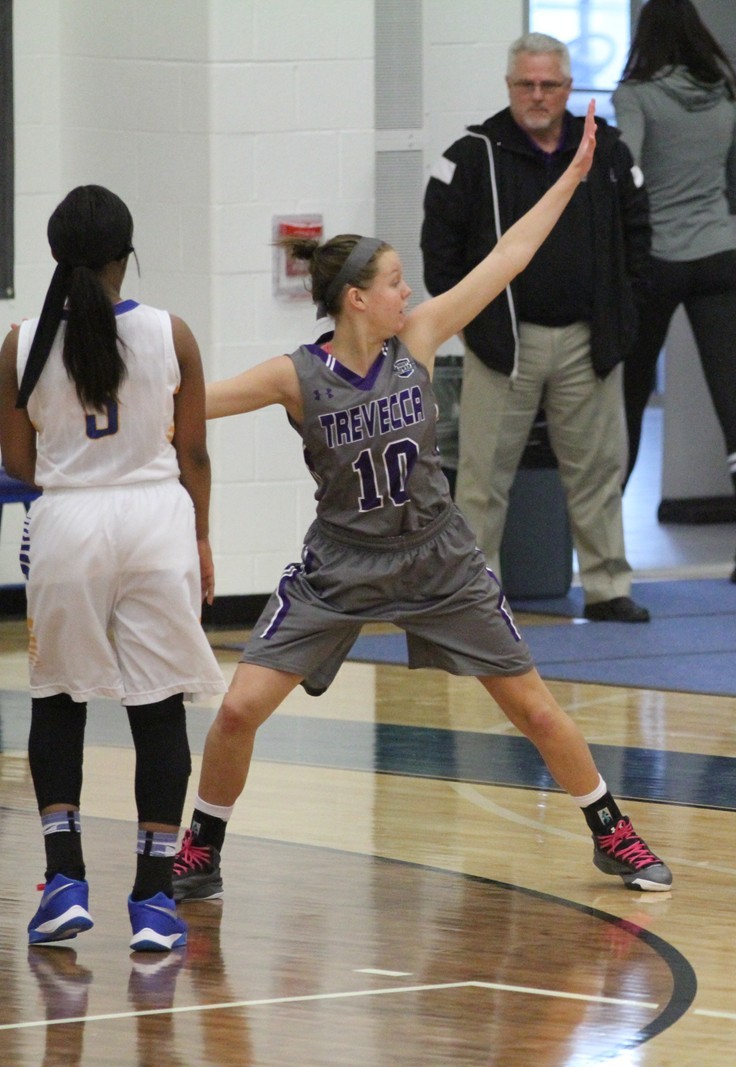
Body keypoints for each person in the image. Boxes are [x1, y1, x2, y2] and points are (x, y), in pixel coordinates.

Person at [170, 106, 673, 902]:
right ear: (357, 299)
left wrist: (572, 180)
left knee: (535, 707)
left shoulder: (422, 336)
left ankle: (612, 830)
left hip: (439, 554)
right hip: (341, 561)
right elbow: (188, 407)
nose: (411, 289)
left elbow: (508, 255)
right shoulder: (292, 376)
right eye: (396, 280)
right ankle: (202, 843)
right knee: (236, 711)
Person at [0, 186, 227, 951]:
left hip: (67, 523)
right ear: (128, 255)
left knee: (59, 701)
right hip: (156, 522)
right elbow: (193, 453)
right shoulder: (174, 334)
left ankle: (64, 881)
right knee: (158, 707)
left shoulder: (21, 341)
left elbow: (20, 462)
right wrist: (200, 539)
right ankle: (154, 901)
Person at [422, 32, 652, 623]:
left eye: (550, 85)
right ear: (509, 86)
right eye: (526, 84)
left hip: (588, 341)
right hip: (504, 344)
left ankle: (607, 587)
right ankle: (473, 596)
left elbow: (640, 241)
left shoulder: (607, 151)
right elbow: (440, 251)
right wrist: (471, 323)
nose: (538, 95)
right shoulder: (474, 156)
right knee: (481, 478)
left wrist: (621, 320)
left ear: (570, 88)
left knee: (598, 471)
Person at [613, 0, 736, 585]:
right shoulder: (724, 98)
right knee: (734, 398)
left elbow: (625, 175)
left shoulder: (637, 96)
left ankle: (609, 545)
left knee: (628, 397)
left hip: (656, 263)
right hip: (719, 260)